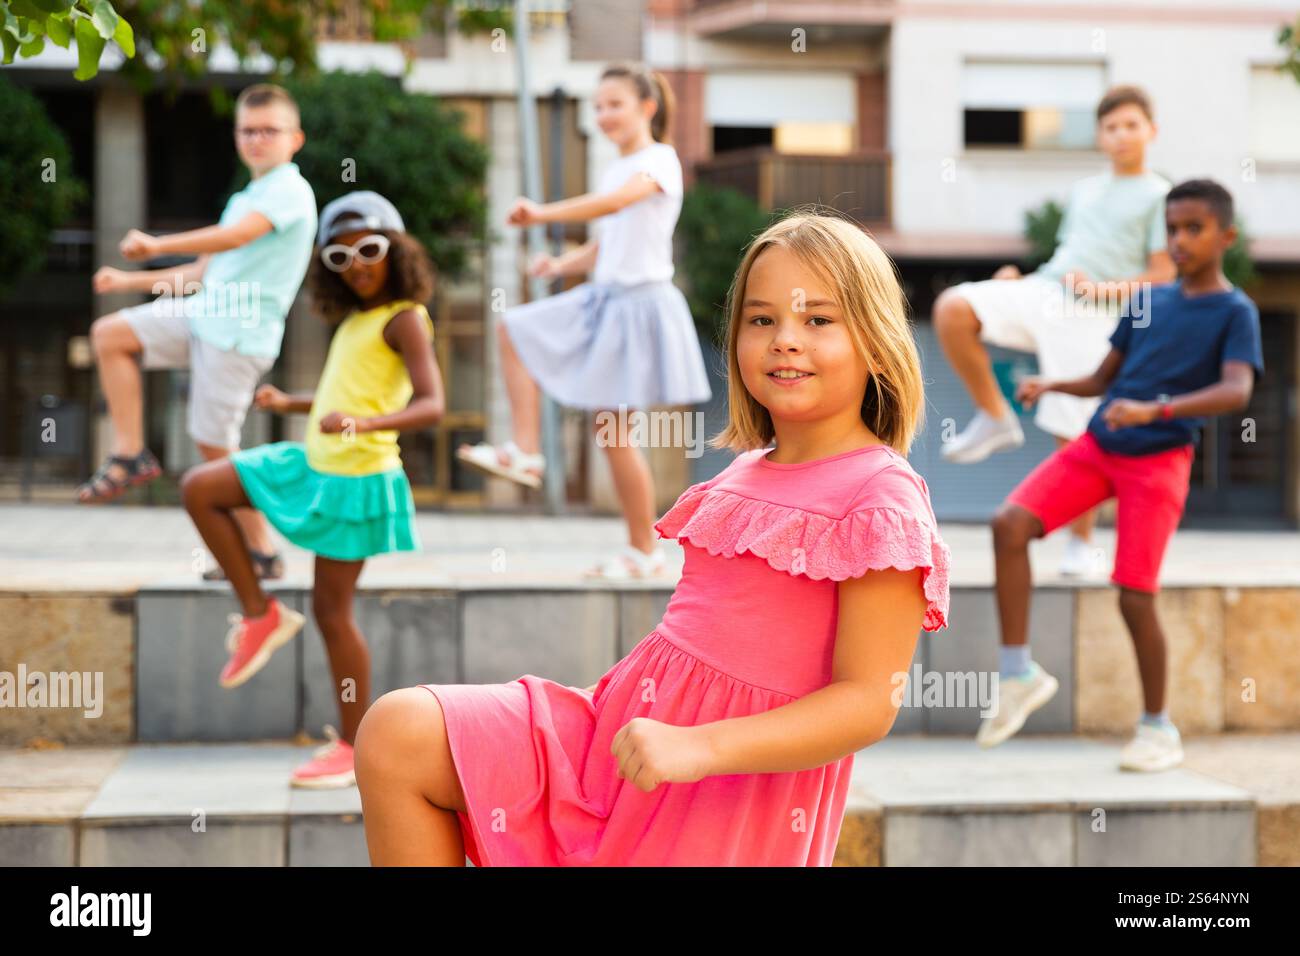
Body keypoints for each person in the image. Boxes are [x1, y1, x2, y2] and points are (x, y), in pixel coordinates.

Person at [353, 213, 952, 866]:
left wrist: (700, 748)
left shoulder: (879, 495)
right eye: (761, 320)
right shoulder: (746, 468)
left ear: (875, 339)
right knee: (398, 734)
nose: (784, 340)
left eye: (817, 321)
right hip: (616, 743)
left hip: (725, 790)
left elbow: (869, 703)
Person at [981, 180, 1263, 772]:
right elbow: (1103, 378)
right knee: (1009, 525)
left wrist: (1156, 409)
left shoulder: (1235, 312)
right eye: (1173, 229)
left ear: (1225, 236)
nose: (1180, 240)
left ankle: (1158, 728)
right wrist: (1050, 384)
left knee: (1134, 595)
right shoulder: (1147, 300)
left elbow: (1236, 390)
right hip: (1100, 444)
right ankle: (1019, 674)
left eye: (1195, 228)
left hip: (1159, 461)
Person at [179, 192, 445, 788]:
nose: (357, 264)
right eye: (340, 256)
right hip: (315, 460)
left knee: (332, 612)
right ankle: (261, 613)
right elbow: (345, 396)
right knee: (201, 487)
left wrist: (362, 425)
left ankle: (356, 747)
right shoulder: (356, 320)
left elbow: (432, 405)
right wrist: (293, 402)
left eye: (370, 250)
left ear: (396, 252)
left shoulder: (405, 317)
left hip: (356, 480)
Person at [455, 62, 712, 579]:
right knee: (515, 330)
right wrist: (561, 264)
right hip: (605, 298)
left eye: (614, 104)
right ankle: (527, 453)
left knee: (615, 433)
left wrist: (541, 214)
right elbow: (610, 238)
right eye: (597, 106)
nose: (603, 115)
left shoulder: (659, 160)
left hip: (638, 306)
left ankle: (643, 551)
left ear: (647, 107)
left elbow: (616, 205)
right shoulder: (616, 167)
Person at [933, 85, 1175, 577]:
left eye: (1131, 125)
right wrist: (1021, 281)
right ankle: (995, 415)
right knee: (953, 308)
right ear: (1100, 136)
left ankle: (1081, 546)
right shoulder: (1085, 190)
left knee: (1075, 435)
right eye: (1111, 127)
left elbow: (1163, 275)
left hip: (1095, 316)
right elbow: (1068, 257)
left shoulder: (1161, 195)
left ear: (1151, 131)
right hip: (1046, 291)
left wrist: (1104, 290)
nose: (1121, 134)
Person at [82, 83, 318, 583]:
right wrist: (130, 280)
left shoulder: (290, 191)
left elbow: (236, 237)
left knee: (214, 446)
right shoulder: (245, 196)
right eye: (247, 130)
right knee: (111, 335)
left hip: (238, 331)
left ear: (293, 138)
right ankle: (130, 452)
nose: (257, 139)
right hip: (204, 311)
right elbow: (200, 273)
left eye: (269, 131)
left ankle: (262, 552)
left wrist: (154, 243)